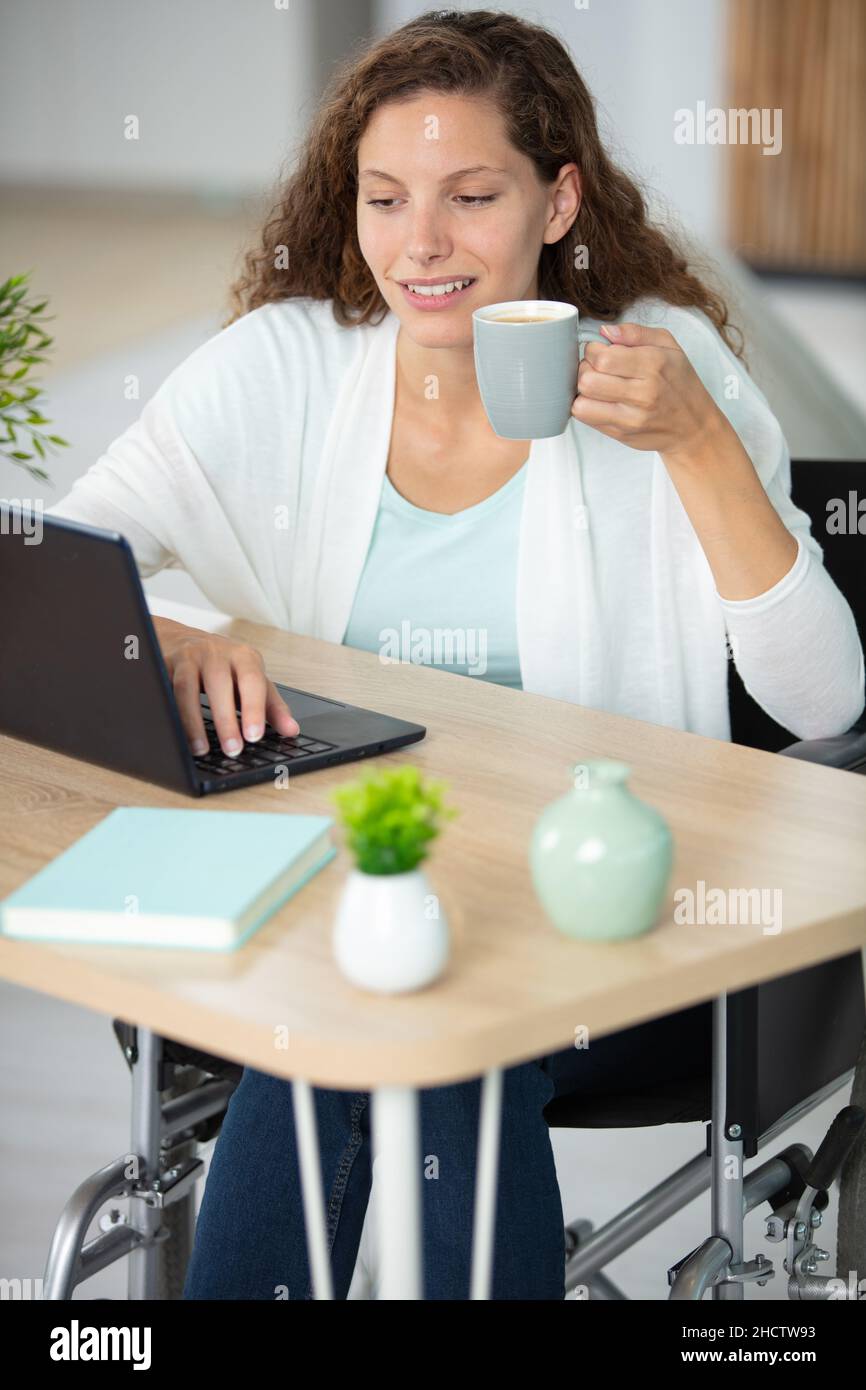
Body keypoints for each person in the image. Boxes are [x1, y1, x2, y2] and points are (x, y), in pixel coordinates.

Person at [46, 9, 864, 1299]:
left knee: (390, 1030)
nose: (418, 244)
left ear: (559, 201)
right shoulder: (293, 367)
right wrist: (171, 627)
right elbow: (61, 556)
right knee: (364, 1006)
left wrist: (701, 447)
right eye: (385, 198)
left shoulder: (668, 366)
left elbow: (826, 699)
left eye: (471, 196)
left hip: (610, 939)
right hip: (344, 908)